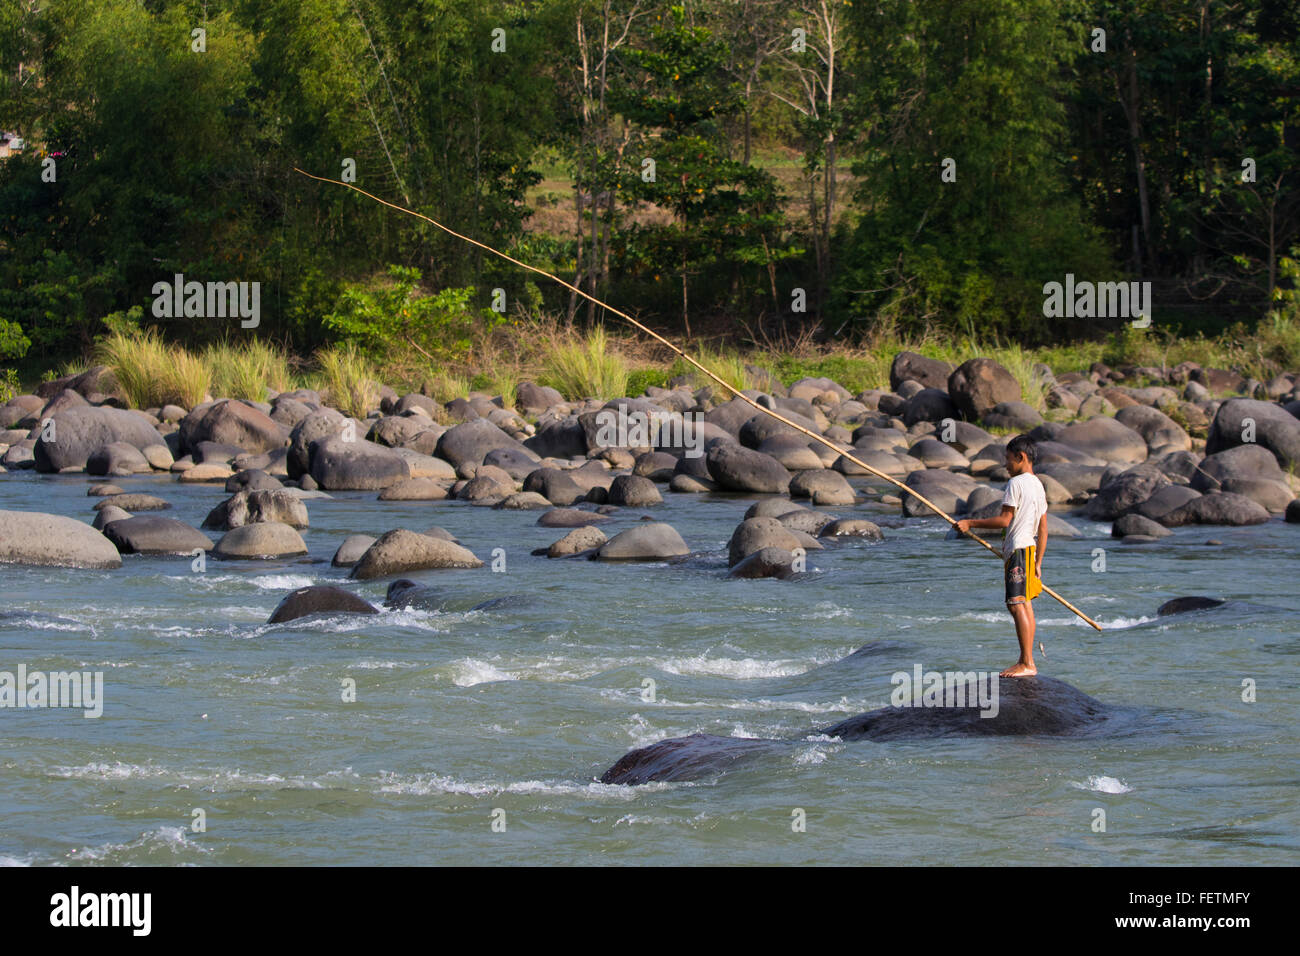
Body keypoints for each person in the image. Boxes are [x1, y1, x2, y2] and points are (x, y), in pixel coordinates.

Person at [954, 435, 1048, 677]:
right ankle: (1026, 660)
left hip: (1018, 549)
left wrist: (970, 522)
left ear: (1021, 457)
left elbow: (1005, 520)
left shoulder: (1016, 484)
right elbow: (1043, 528)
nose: (1006, 465)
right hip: (1028, 550)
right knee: (1024, 604)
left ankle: (1027, 663)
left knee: (1016, 605)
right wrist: (1038, 562)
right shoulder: (1038, 485)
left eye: (1008, 460)